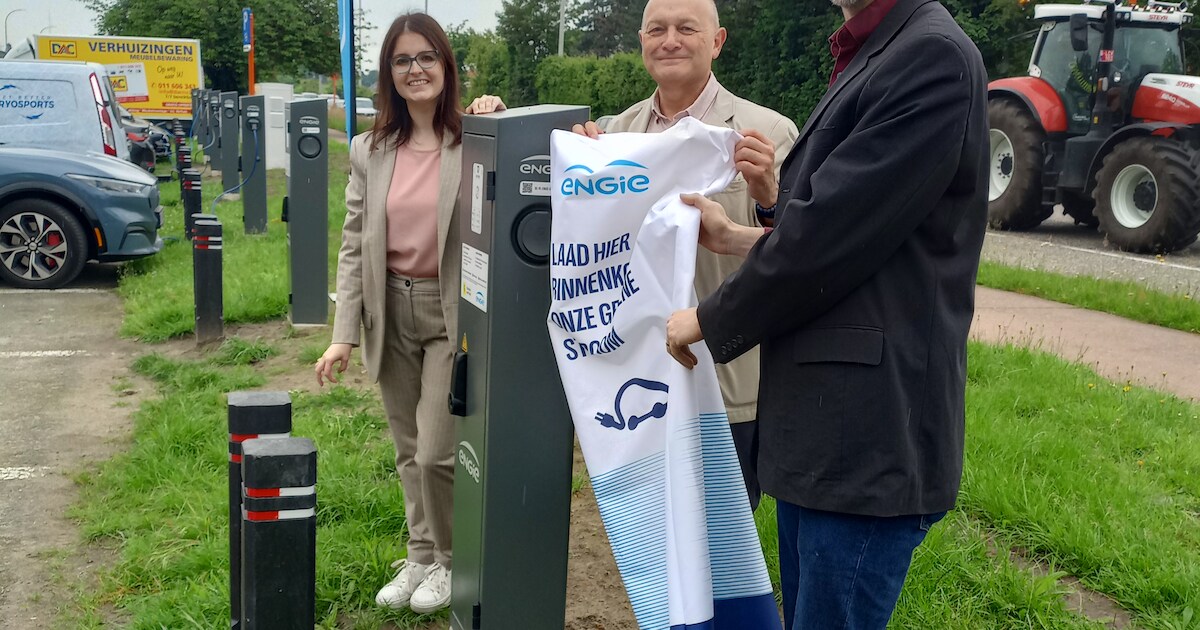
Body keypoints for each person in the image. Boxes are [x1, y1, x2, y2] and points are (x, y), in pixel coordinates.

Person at [664, 0, 988, 627]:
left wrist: (705, 319)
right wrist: (735, 235)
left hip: (863, 438)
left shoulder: (930, 56)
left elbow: (828, 241)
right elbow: (848, 231)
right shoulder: (873, 51)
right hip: (823, 434)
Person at [572, 0, 798, 511]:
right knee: (648, 532)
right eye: (657, 29)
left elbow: (804, 253)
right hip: (638, 376)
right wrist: (581, 165)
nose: (670, 39)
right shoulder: (614, 137)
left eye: (686, 28)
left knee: (720, 538)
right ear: (642, 42)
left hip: (727, 379)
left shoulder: (768, 133)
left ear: (716, 42)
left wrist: (768, 196)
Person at [314, 12, 505, 615]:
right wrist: (343, 334)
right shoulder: (369, 149)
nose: (415, 69)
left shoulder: (474, 138)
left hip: (450, 312)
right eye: (402, 61)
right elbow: (353, 242)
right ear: (389, 75)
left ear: (446, 67)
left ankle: (450, 561)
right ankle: (419, 554)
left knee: (436, 453)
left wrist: (497, 118)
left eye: (427, 57)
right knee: (406, 447)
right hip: (387, 309)